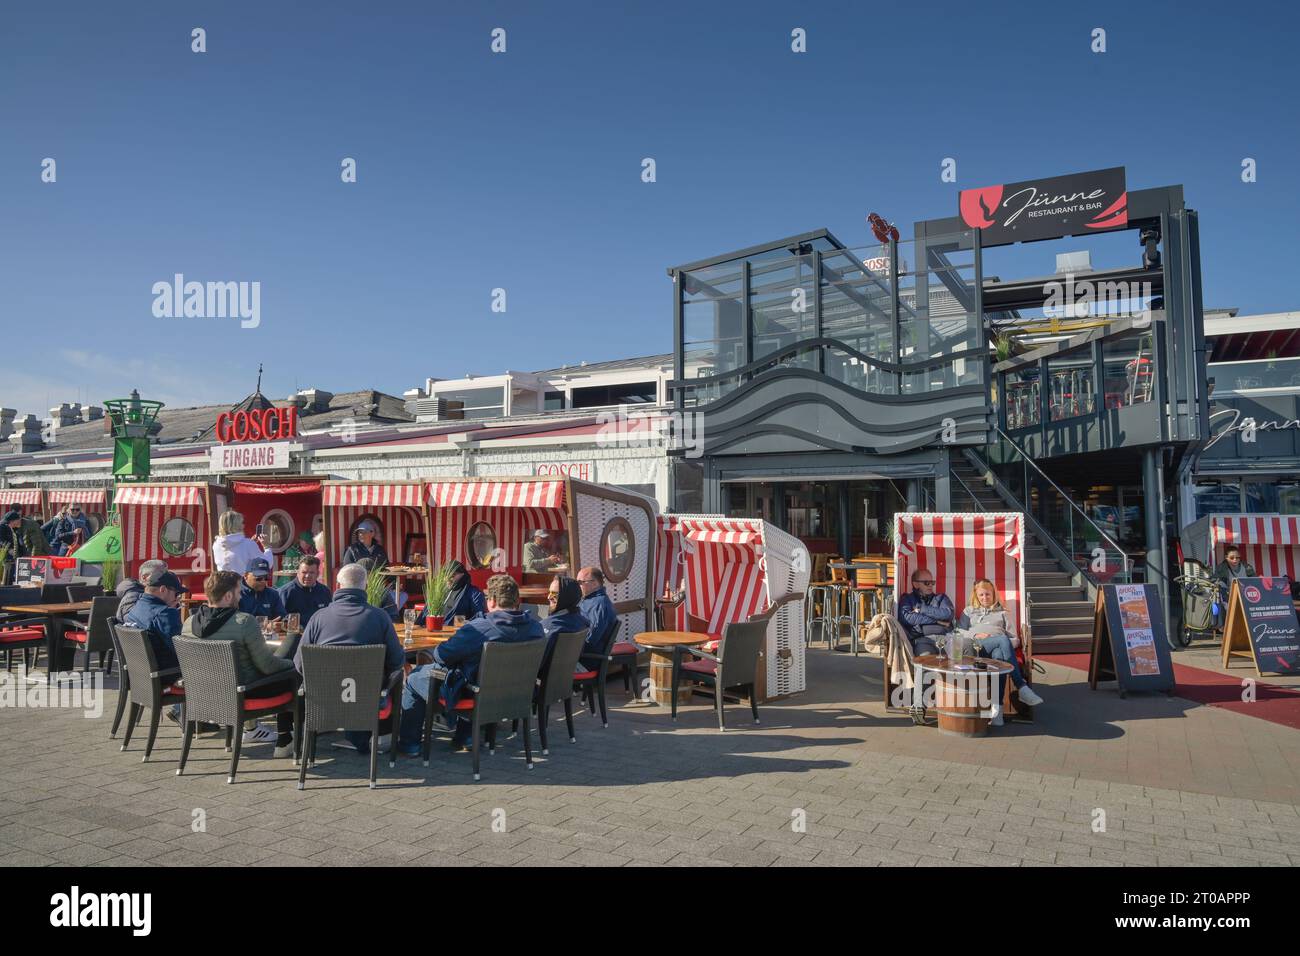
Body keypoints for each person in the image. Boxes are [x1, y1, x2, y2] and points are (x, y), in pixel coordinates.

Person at [397, 574, 544, 755]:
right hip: (515, 693)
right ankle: (464, 737)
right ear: (517, 600)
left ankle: (409, 745)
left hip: (473, 692)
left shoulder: (479, 628)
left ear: (492, 600)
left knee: (414, 677)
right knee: (471, 670)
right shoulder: (536, 629)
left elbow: (442, 656)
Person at [182, 570, 299, 756]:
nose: (240, 596)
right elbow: (267, 667)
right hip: (244, 692)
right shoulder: (244, 622)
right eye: (238, 591)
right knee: (291, 674)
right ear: (228, 596)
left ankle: (255, 731)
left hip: (203, 694)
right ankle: (285, 740)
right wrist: (291, 666)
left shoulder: (188, 623)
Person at [294, 563, 404, 756]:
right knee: (395, 675)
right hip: (368, 700)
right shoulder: (380, 617)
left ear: (338, 587)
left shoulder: (319, 618)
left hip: (323, 700)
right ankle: (385, 736)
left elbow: (300, 663)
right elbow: (396, 661)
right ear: (366, 587)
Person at [957, 578, 1043, 726]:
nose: (985, 598)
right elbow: (959, 632)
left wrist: (998, 641)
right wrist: (975, 635)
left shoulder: (1003, 613)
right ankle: (1021, 686)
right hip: (975, 648)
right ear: (976, 596)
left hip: (995, 649)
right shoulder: (969, 611)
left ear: (993, 594)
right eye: (981, 595)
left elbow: (1015, 639)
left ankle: (997, 713)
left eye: (988, 594)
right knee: (1001, 639)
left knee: (999, 657)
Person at [122, 568, 187, 671]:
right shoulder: (165, 614)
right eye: (176, 593)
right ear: (163, 590)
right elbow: (183, 650)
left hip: (141, 675)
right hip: (167, 675)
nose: (177, 598)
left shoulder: (136, 608)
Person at [897, 568, 955, 655]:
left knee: (961, 652)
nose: (930, 585)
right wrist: (937, 621)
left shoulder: (941, 597)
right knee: (925, 659)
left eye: (932, 582)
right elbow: (907, 618)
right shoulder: (907, 599)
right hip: (922, 640)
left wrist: (922, 609)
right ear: (915, 584)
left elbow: (948, 614)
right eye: (926, 583)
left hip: (945, 639)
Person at [415, 560, 485, 625]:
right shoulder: (439, 592)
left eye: (452, 575)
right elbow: (424, 614)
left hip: (456, 633)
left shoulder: (474, 593)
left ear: (463, 575)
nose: (448, 579)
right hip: (431, 631)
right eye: (445, 575)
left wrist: (463, 622)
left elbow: (479, 618)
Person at [542, 576, 589, 673]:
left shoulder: (551, 626)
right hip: (567, 674)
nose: (549, 597)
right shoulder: (582, 621)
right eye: (549, 592)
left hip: (544, 677)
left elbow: (537, 660)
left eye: (554, 593)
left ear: (566, 596)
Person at [277, 555, 332, 627]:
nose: (307, 576)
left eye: (311, 572)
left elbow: (330, 616)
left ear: (317, 574)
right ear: (298, 573)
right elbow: (278, 620)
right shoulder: (285, 593)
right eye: (304, 572)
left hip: (320, 635)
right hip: (296, 635)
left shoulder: (325, 591)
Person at [212, 510, 273, 574]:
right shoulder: (248, 544)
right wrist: (267, 547)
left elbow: (235, 551)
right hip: (241, 583)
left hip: (222, 583)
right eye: (241, 523)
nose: (243, 525)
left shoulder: (216, 545)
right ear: (237, 525)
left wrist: (250, 543)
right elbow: (266, 565)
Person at [577, 566, 618, 656]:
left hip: (588, 659)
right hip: (580, 653)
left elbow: (590, 640)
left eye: (580, 582)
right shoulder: (587, 600)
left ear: (595, 584)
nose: (577, 585)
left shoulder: (600, 604)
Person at [355, 557, 400, 621]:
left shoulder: (381, 592)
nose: (366, 578)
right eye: (361, 574)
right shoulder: (351, 592)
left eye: (368, 574)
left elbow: (394, 616)